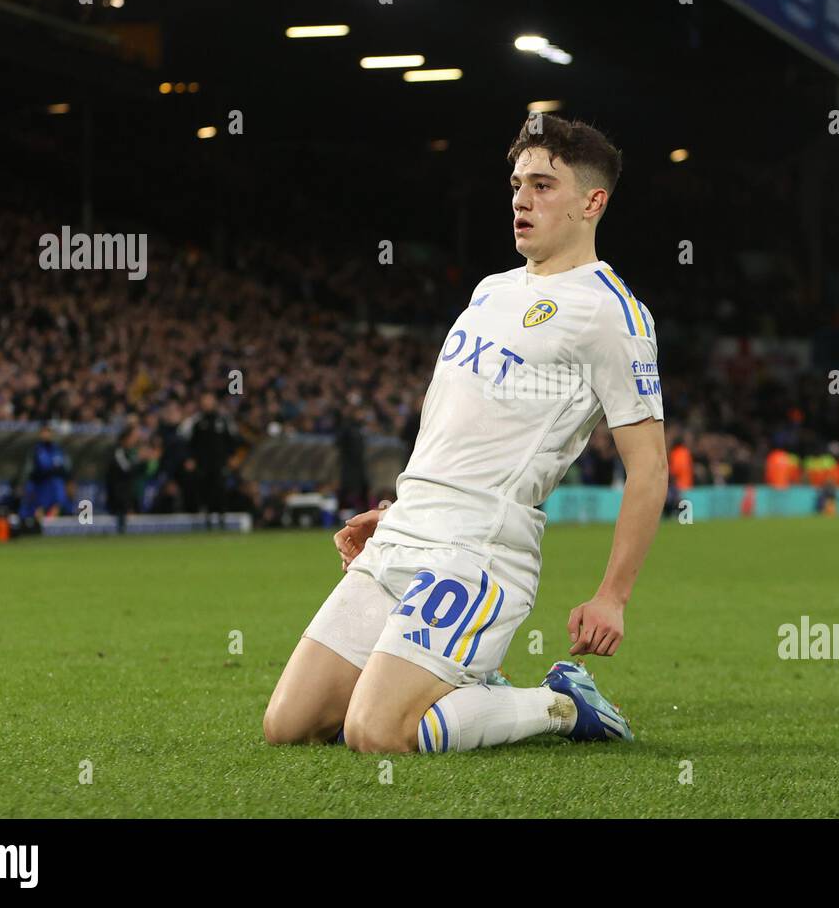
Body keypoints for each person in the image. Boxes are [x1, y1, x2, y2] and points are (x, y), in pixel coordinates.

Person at [264, 114, 668, 754]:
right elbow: (460, 425)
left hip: (479, 548)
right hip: (408, 531)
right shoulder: (489, 291)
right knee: (288, 726)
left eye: (542, 185)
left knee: (377, 732)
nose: (520, 200)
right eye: (516, 185)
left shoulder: (612, 313)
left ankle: (560, 703)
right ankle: (467, 677)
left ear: (593, 202)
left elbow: (649, 469)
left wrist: (611, 596)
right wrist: (401, 507)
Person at [183, 392, 237, 529]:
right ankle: (207, 519)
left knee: (220, 490)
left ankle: (222, 518)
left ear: (214, 402)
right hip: (203, 464)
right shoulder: (197, 422)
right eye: (204, 400)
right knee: (205, 491)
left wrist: (232, 457)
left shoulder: (223, 421)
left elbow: (231, 441)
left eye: (209, 400)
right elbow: (190, 444)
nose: (206, 403)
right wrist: (190, 459)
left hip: (220, 463)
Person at [20, 425, 72, 519]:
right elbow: (31, 470)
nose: (45, 435)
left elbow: (64, 468)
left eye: (47, 432)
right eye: (43, 432)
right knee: (39, 507)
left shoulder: (57, 449)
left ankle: (48, 524)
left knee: (57, 504)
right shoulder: (35, 450)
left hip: (54, 484)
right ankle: (38, 526)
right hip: (40, 484)